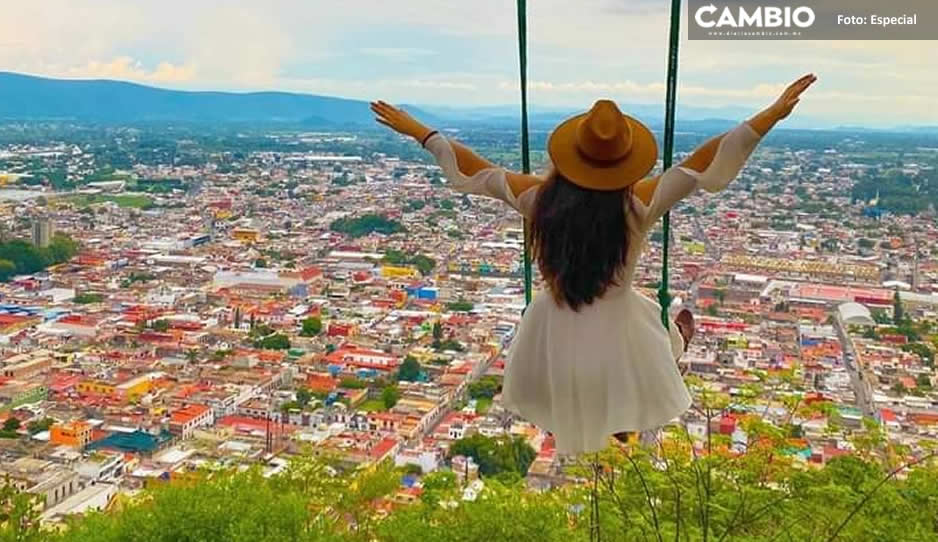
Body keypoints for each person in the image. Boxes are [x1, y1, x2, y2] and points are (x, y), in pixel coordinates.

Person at [371, 74, 817, 455]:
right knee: (650, 345)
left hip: (555, 317)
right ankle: (634, 400)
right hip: (620, 317)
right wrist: (767, 117)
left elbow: (478, 171)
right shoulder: (639, 202)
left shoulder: (540, 200)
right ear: (625, 163)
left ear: (569, 158)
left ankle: (609, 412)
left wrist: (422, 132)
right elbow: (702, 163)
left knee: (578, 362)